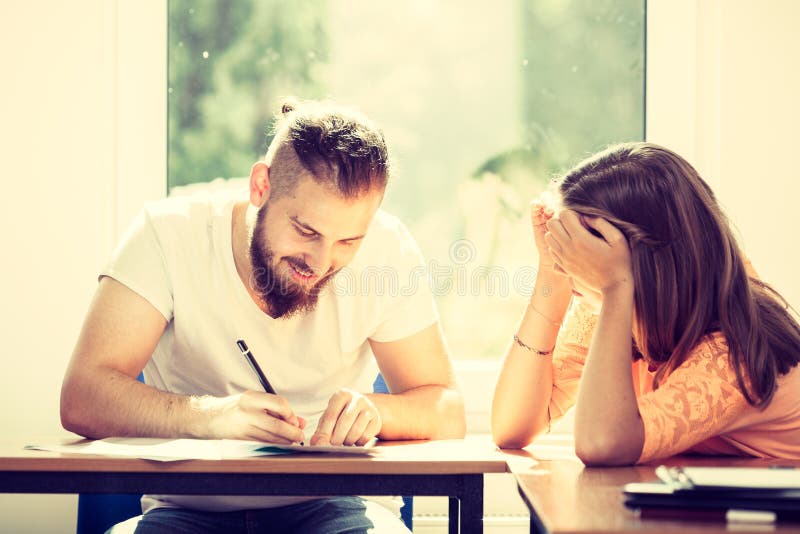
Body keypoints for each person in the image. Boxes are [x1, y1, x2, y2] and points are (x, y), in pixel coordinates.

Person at [61, 98, 465, 533]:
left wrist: (379, 413)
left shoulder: (388, 248)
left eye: (348, 241)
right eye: (306, 231)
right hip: (189, 510)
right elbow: (82, 397)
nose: (321, 262)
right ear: (260, 186)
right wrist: (211, 416)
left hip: (338, 504)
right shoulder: (167, 235)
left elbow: (447, 408)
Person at [491, 142, 800, 466]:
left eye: (582, 247)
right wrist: (551, 275)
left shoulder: (733, 352)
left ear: (640, 261)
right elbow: (512, 426)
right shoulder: (617, 306)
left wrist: (615, 286)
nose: (570, 259)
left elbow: (601, 444)